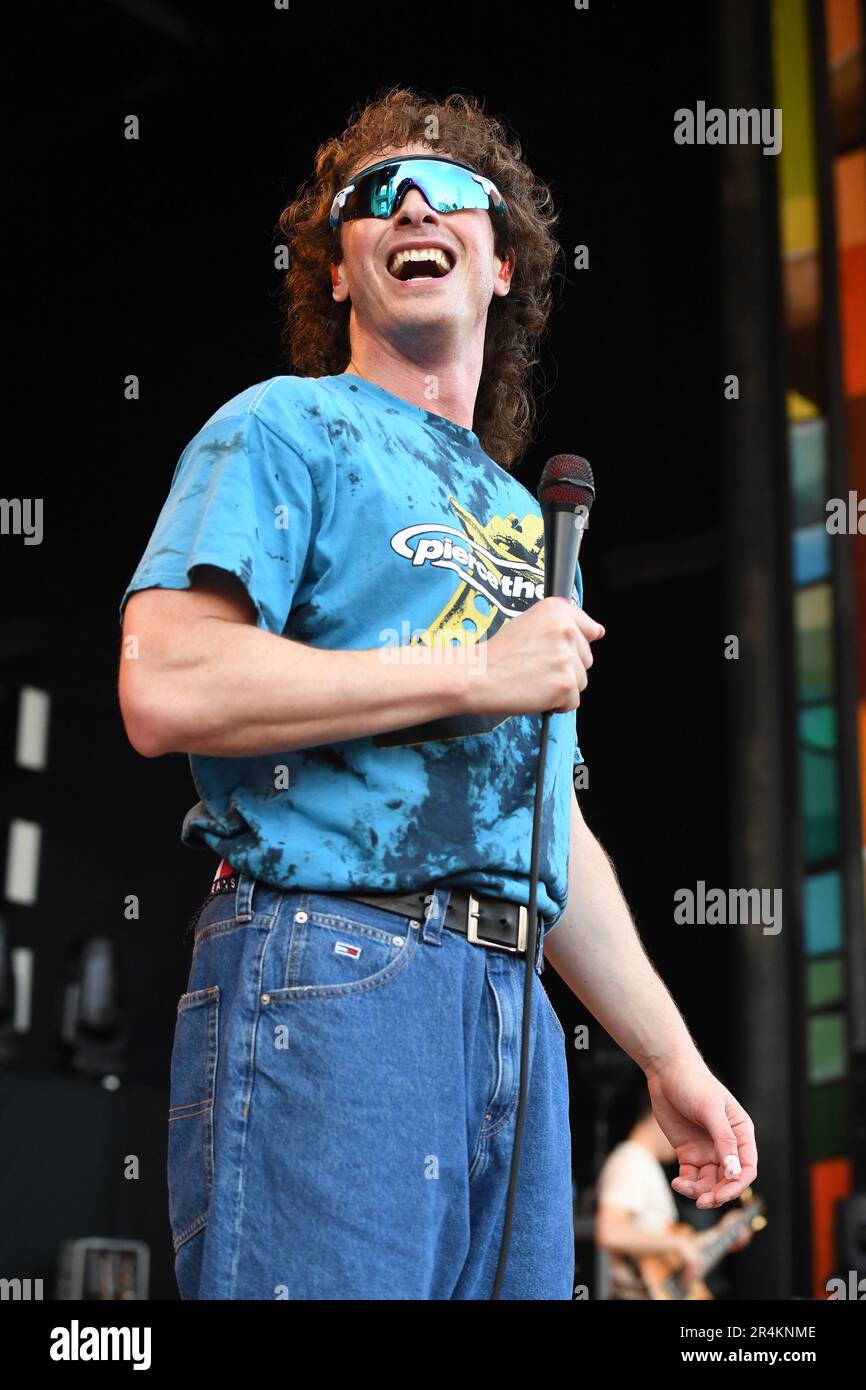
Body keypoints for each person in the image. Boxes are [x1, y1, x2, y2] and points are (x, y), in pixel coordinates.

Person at [117, 86, 757, 1301]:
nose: (411, 201)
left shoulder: (527, 525)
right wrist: (473, 669)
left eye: (449, 189)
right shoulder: (284, 427)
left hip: (511, 1012)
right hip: (333, 966)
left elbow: (541, 825)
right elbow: (163, 681)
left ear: (502, 264)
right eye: (373, 196)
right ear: (341, 272)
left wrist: (670, 1060)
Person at [596, 1096, 754, 1299]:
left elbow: (667, 1252)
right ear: (660, 1115)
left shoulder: (645, 1164)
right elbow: (610, 1231)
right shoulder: (631, 1159)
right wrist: (677, 1244)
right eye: (687, 1127)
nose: (690, 1137)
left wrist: (719, 1234)